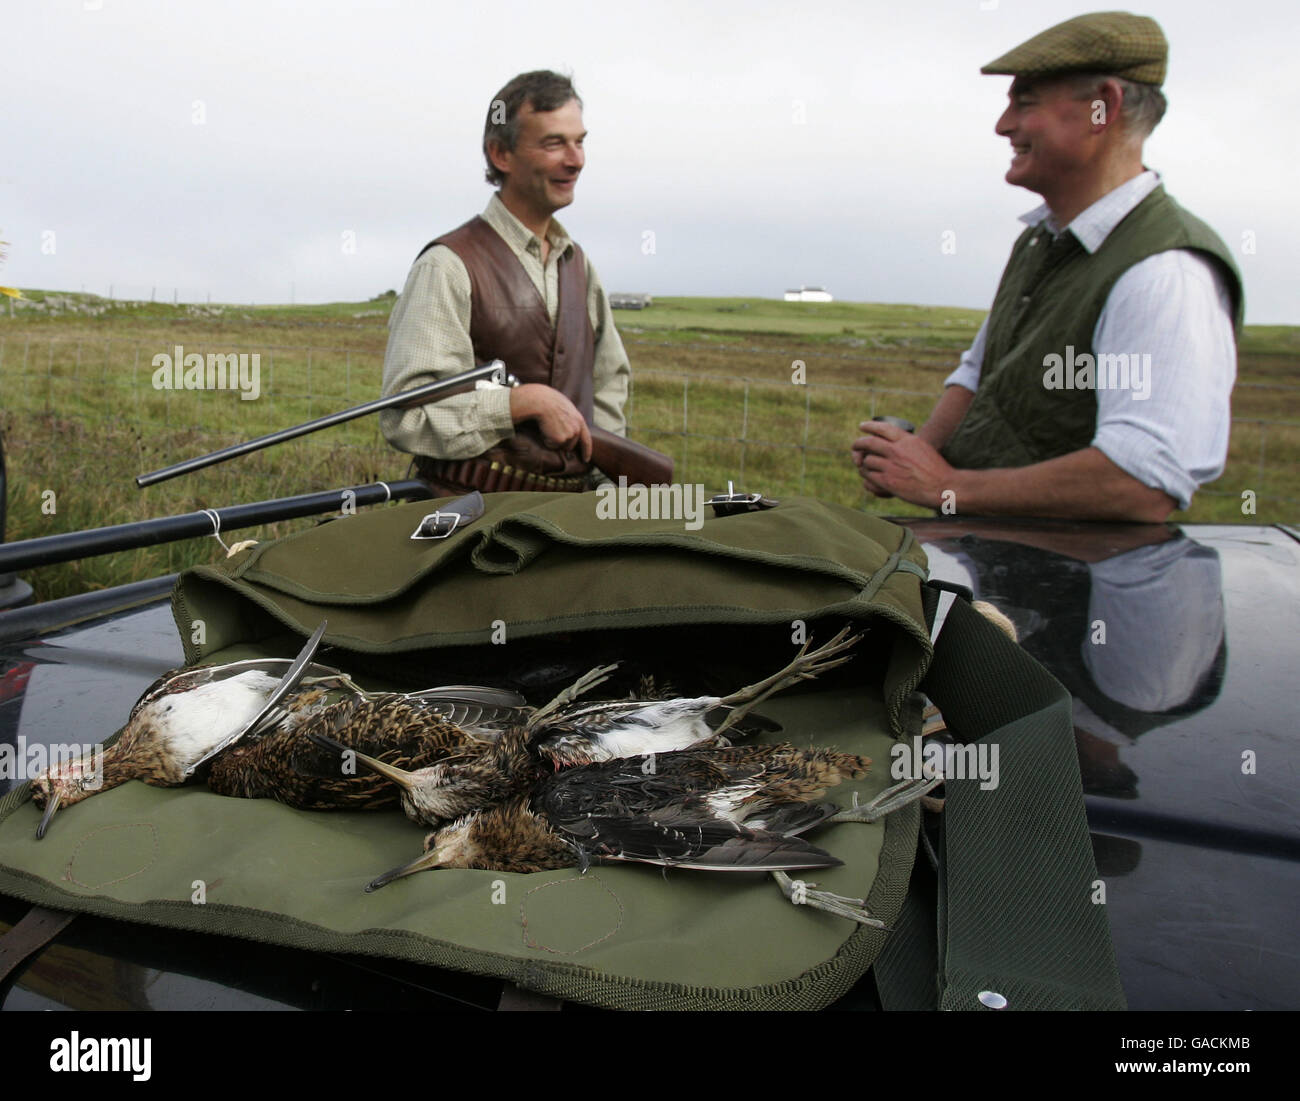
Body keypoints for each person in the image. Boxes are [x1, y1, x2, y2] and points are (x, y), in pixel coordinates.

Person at [852, 12, 1243, 522]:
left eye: (1025, 102)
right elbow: (979, 373)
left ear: (1104, 106)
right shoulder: (1041, 241)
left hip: (1078, 588)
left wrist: (948, 485)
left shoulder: (1166, 272)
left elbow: (1143, 481)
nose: (1003, 125)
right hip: (1004, 565)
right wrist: (910, 460)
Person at [380, 70, 631, 495]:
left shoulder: (579, 268)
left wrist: (608, 491)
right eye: (554, 143)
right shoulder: (448, 266)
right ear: (501, 154)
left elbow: (609, 385)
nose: (575, 160)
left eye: (580, 141)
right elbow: (406, 415)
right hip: (470, 522)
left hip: (571, 521)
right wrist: (516, 405)